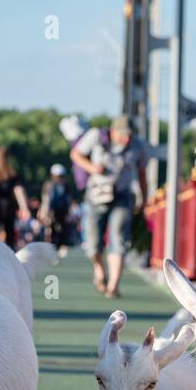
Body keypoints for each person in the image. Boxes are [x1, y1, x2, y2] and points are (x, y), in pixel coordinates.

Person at [72, 115, 149, 298]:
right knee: (93, 243)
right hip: (96, 195)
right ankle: (99, 269)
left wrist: (144, 199)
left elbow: (142, 173)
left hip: (123, 196)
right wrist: (92, 168)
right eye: (124, 135)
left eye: (130, 135)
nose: (127, 139)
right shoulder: (96, 137)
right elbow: (75, 154)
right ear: (113, 131)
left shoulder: (138, 146)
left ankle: (113, 285)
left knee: (119, 238)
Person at [40, 162, 71, 253]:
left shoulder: (66, 185)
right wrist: (44, 213)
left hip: (63, 212)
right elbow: (46, 200)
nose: (60, 178)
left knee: (63, 230)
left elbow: (68, 200)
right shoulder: (48, 185)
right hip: (51, 212)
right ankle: (52, 249)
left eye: (61, 176)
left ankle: (61, 247)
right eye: (58, 176)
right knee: (51, 230)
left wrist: (69, 212)